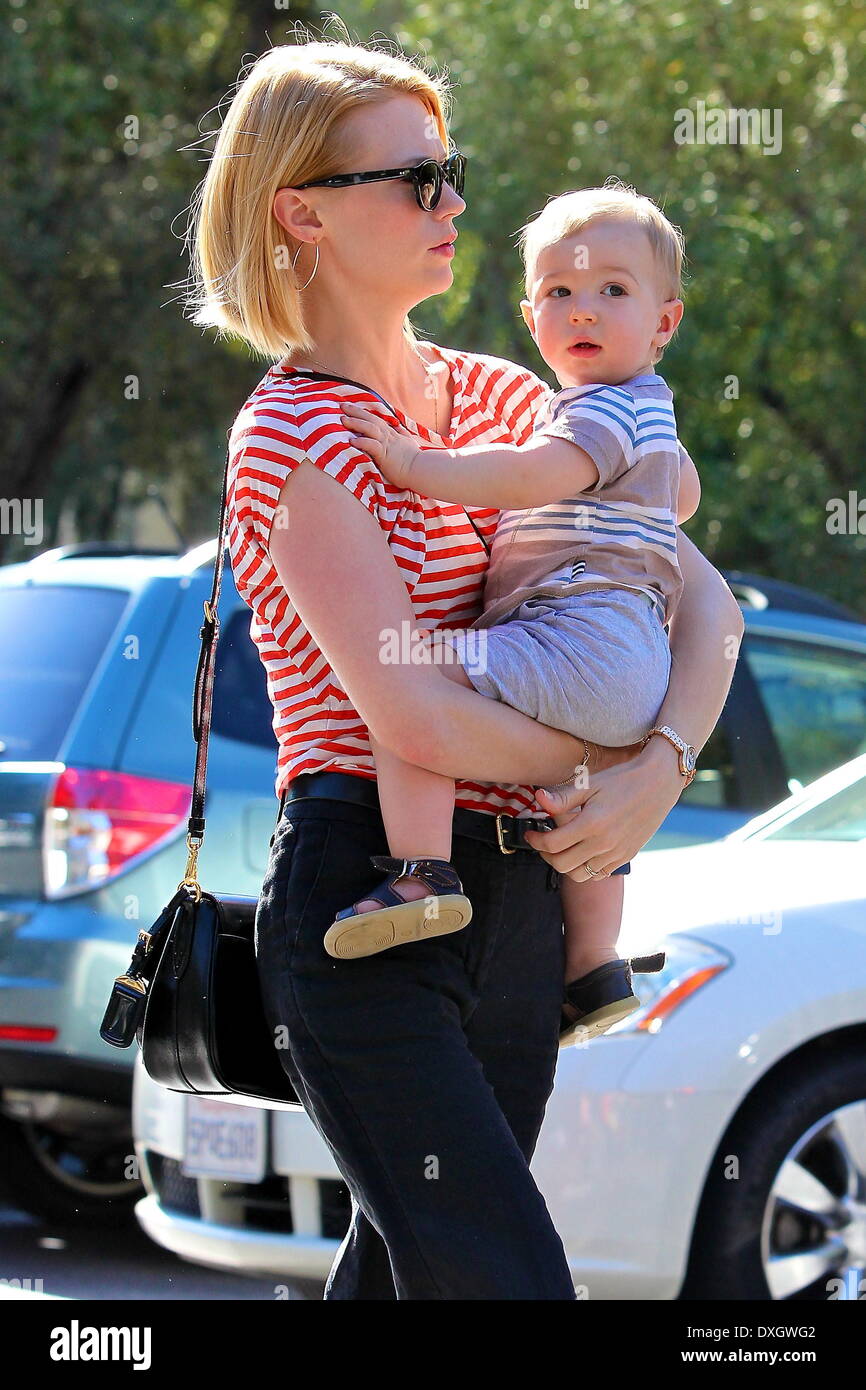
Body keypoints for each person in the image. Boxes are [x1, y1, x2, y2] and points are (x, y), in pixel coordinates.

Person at [187, 33, 744, 1299]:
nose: (453, 205)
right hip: (366, 892)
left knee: (413, 1281)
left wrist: (657, 769)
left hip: (523, 903)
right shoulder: (292, 432)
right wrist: (613, 760)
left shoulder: (514, 405)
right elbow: (413, 713)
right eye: (415, 178)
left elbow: (705, 609)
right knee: (503, 1280)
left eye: (453, 172)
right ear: (302, 216)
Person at [327, 181, 698, 1048]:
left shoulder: (603, 411)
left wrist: (420, 465)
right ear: (532, 319)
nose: (585, 309)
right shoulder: (651, 418)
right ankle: (595, 960)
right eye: (561, 292)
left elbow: (532, 476)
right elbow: (681, 498)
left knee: (406, 681)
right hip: (631, 666)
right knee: (571, 796)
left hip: (581, 638)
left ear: (664, 325)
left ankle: (421, 874)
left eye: (614, 289)